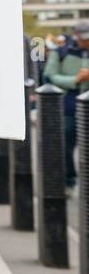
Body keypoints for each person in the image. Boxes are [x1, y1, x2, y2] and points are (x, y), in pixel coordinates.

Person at [43, 20, 89, 187]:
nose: (86, 42)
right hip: (69, 104)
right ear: (76, 35)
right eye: (84, 38)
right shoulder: (61, 51)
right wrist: (75, 80)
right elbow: (49, 76)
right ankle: (69, 180)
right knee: (66, 144)